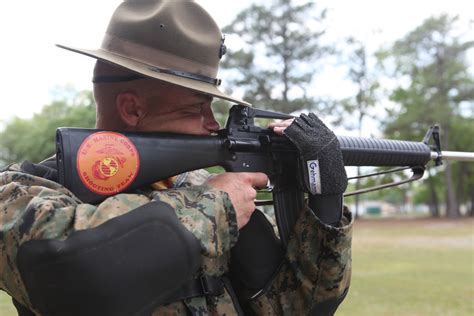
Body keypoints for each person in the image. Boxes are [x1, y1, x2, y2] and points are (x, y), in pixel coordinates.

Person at [0, 1, 352, 315]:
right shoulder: (21, 195)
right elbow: (77, 279)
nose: (212, 125)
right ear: (131, 108)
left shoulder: (200, 186)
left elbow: (291, 307)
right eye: (197, 108)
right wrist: (216, 206)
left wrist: (326, 201)